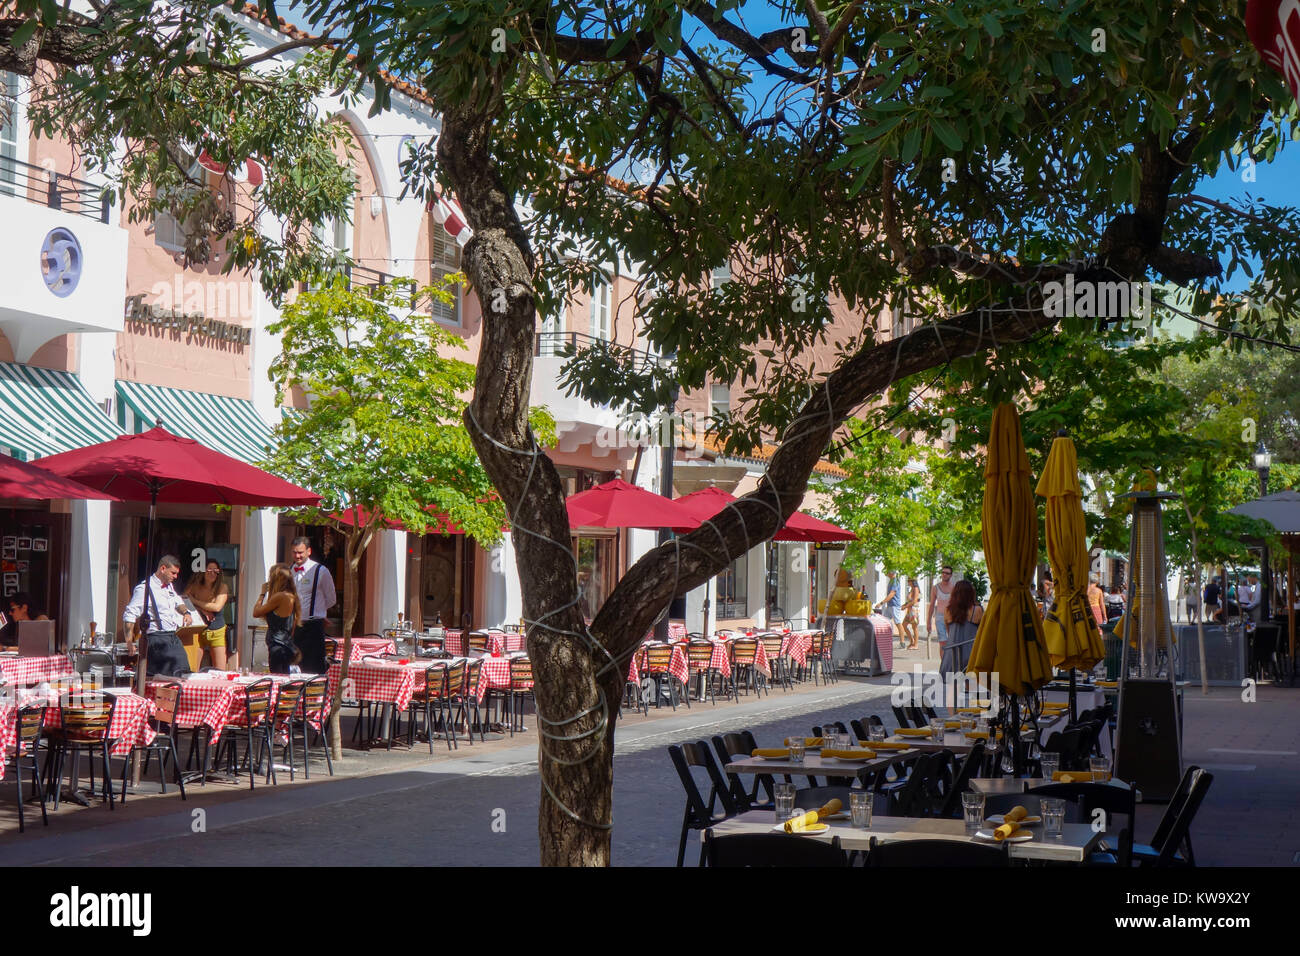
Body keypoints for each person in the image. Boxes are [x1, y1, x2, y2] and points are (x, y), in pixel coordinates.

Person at [122, 555, 193, 677]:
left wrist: (186, 613)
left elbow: (178, 602)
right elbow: (129, 615)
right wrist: (129, 641)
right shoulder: (144, 589)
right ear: (163, 568)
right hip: (156, 639)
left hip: (172, 637)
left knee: (183, 672)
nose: (176, 577)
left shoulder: (169, 586)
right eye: (173, 573)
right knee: (165, 678)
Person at [290, 537, 337, 673]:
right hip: (294, 626)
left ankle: (315, 694)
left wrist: (318, 611)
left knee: (313, 666)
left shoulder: (320, 571)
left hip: (313, 626)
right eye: (294, 552)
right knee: (295, 666)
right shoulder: (290, 570)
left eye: (300, 552)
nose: (297, 556)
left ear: (309, 551)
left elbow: (331, 599)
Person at [254, 566, 301, 675]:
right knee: (284, 679)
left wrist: (262, 594)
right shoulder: (291, 596)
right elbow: (292, 626)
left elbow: (256, 612)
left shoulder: (280, 596)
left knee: (277, 678)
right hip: (286, 645)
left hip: (277, 646)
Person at [185, 559, 231, 671]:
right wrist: (203, 610)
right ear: (203, 571)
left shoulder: (222, 587)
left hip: (217, 630)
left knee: (220, 671)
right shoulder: (195, 586)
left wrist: (195, 601)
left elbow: (217, 607)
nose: (212, 573)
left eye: (216, 571)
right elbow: (184, 600)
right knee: (193, 668)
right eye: (209, 570)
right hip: (198, 629)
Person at [940, 579, 983, 680]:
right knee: (972, 689)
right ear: (971, 593)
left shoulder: (948, 610)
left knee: (951, 690)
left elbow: (949, 632)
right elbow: (982, 632)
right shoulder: (977, 610)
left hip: (951, 655)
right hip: (971, 655)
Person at [927, 566, 955, 645]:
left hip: (951, 616)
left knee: (952, 641)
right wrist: (929, 621)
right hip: (940, 617)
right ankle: (943, 658)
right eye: (943, 572)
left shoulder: (954, 587)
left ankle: (951, 657)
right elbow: (932, 604)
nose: (944, 574)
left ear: (951, 575)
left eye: (947, 573)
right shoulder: (935, 588)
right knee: (942, 642)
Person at [883, 572, 903, 648]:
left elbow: (892, 594)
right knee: (885, 621)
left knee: (898, 622)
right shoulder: (891, 581)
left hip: (894, 605)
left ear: (892, 573)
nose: (886, 573)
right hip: (890, 605)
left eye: (888, 571)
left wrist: (882, 602)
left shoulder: (895, 581)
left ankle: (902, 642)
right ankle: (886, 640)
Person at [901, 578, 921, 649]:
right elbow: (910, 601)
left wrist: (905, 606)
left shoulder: (916, 588)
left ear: (913, 581)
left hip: (914, 610)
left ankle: (915, 644)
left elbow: (914, 601)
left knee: (914, 627)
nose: (908, 582)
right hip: (909, 610)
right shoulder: (911, 589)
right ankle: (912, 641)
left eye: (909, 580)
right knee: (904, 625)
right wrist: (904, 605)